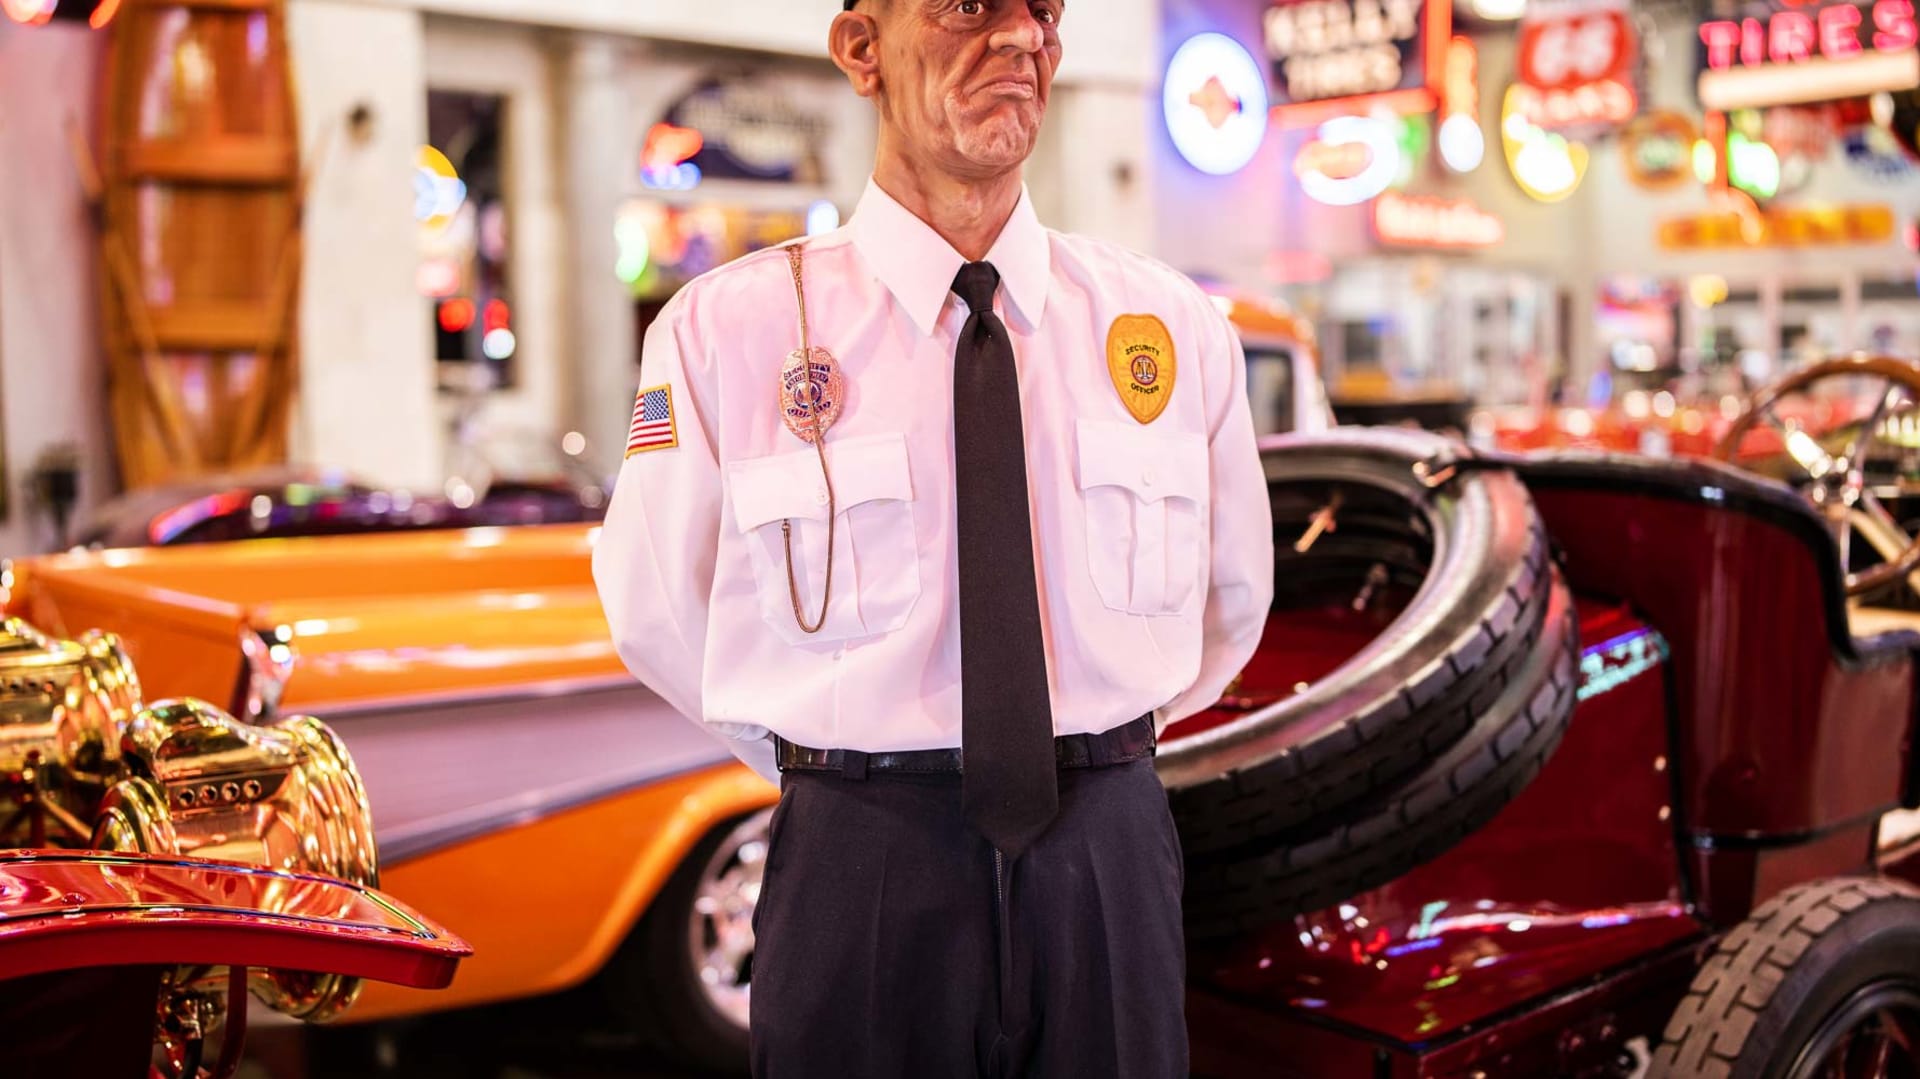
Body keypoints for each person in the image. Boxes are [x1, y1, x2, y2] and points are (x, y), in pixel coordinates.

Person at [592, 1, 1273, 1075]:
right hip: (861, 860)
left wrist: (1095, 756)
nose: (1021, 38)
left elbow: (1232, 595)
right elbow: (655, 608)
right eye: (968, 6)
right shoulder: (731, 331)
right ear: (862, 48)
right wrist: (836, 766)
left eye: (1043, 10)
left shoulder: (1168, 326)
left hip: (1106, 855)